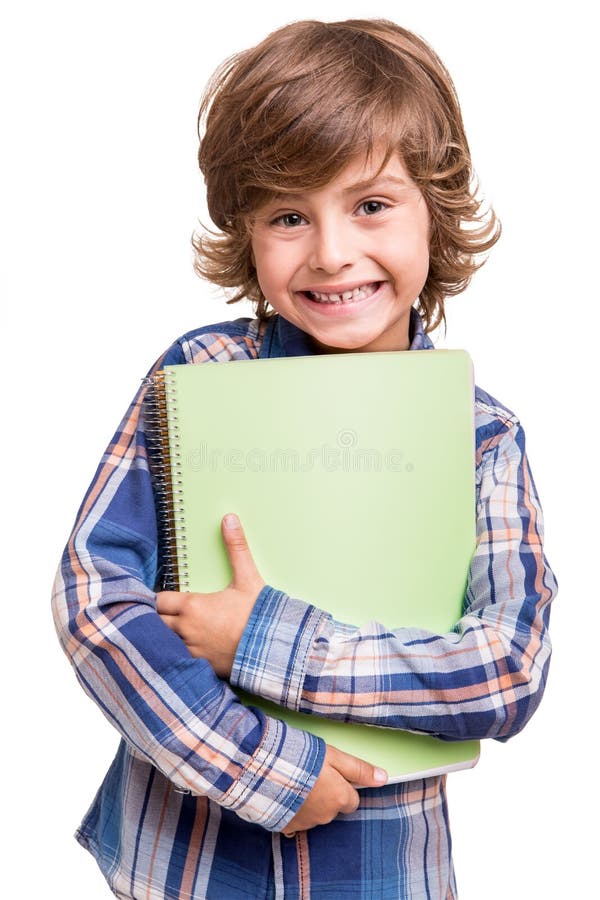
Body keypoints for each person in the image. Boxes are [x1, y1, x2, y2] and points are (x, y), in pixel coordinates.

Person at [52, 18, 557, 899]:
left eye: (370, 204)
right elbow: (95, 598)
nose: (330, 253)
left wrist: (265, 639)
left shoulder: (482, 435)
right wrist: (261, 769)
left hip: (382, 871)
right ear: (246, 231)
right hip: (184, 865)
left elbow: (508, 666)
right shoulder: (197, 377)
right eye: (289, 215)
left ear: (433, 213)